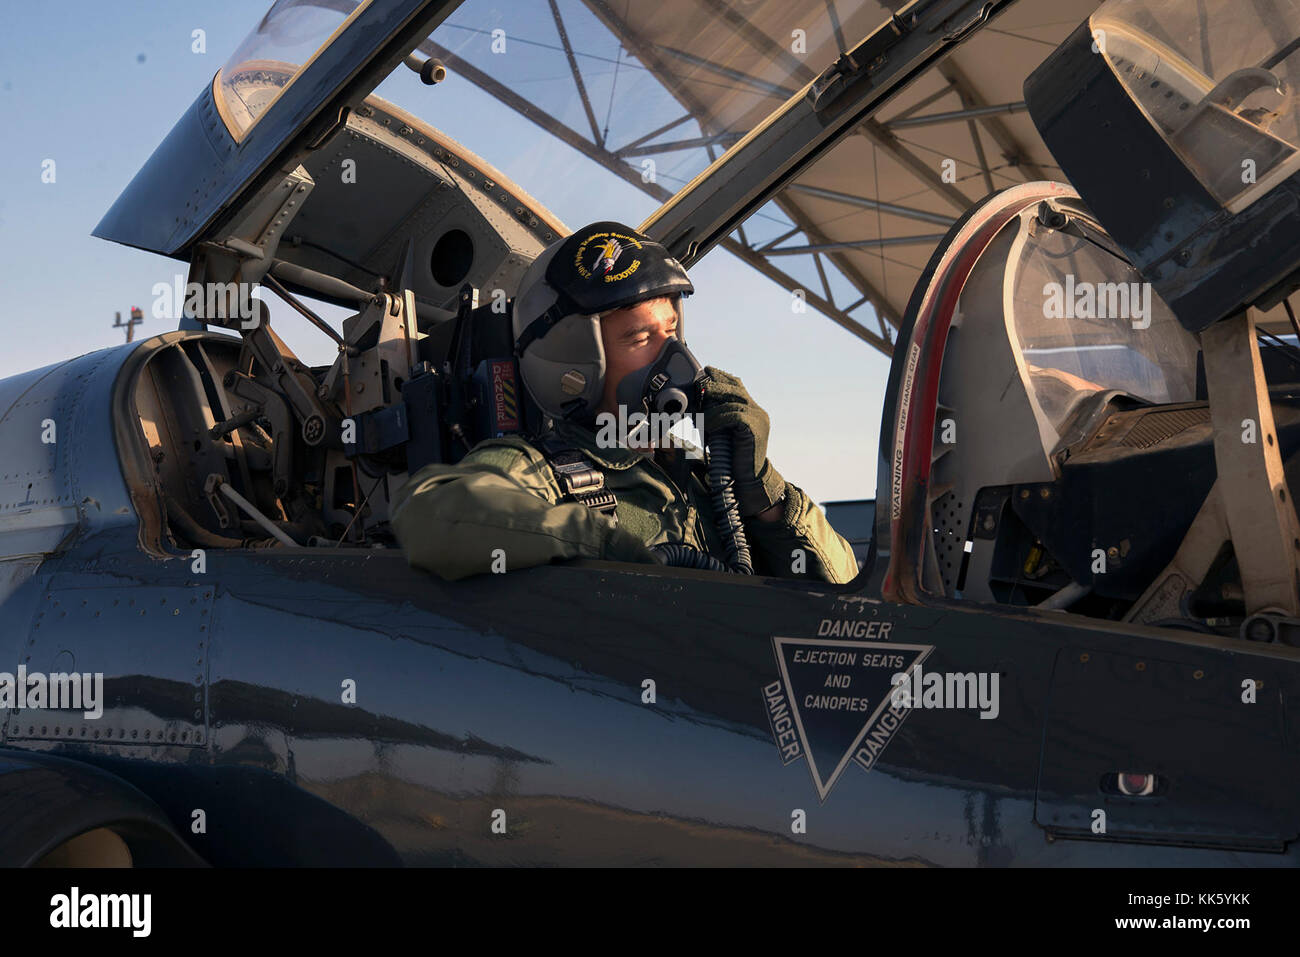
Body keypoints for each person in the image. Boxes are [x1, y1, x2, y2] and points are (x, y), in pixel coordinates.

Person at [391, 221, 858, 583]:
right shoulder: (542, 469)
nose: (674, 356)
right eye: (639, 337)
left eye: (670, 330)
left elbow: (843, 587)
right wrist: (595, 542)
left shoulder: (703, 476)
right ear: (576, 361)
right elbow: (431, 514)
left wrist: (762, 490)